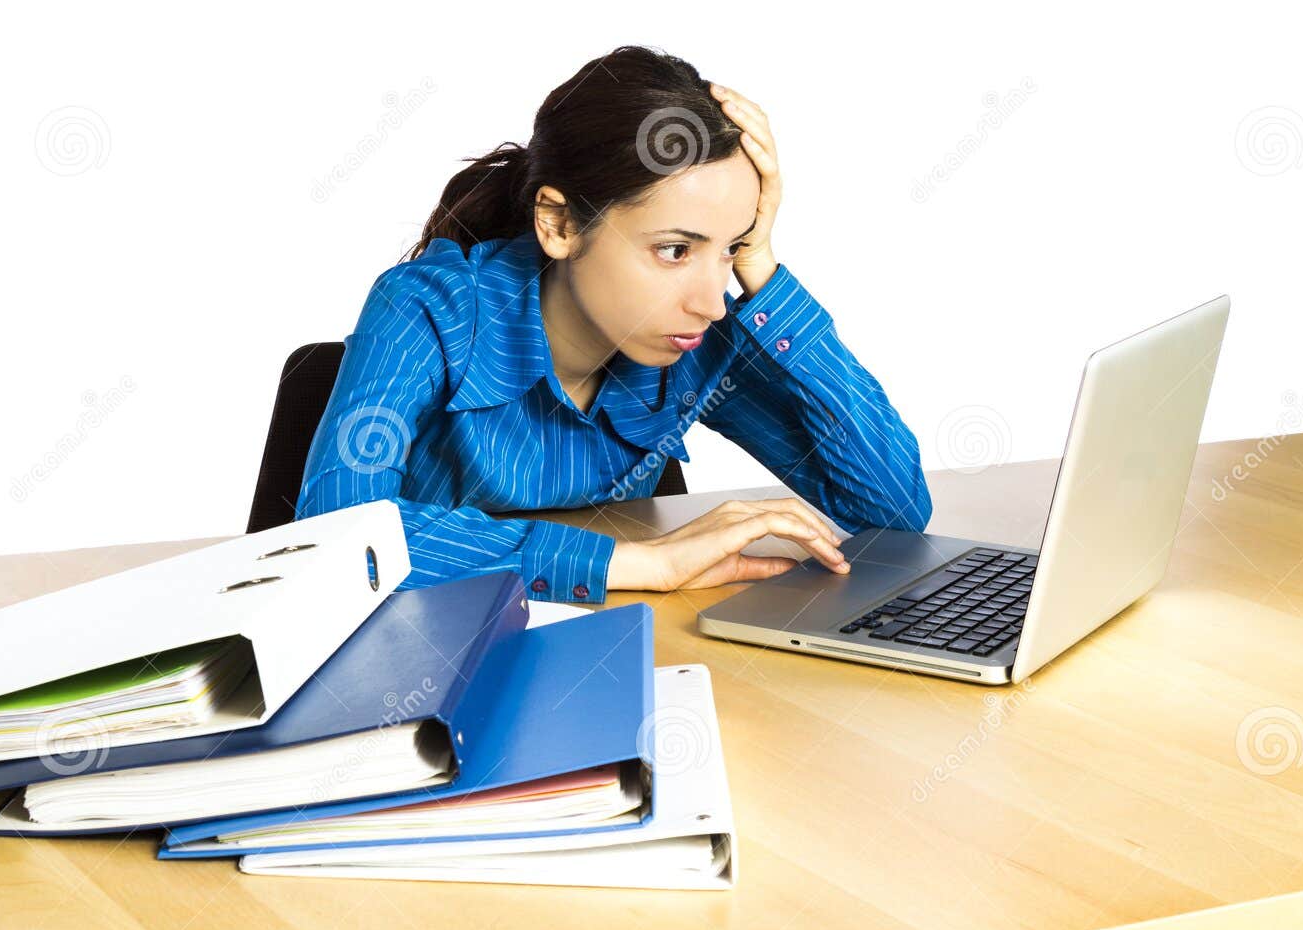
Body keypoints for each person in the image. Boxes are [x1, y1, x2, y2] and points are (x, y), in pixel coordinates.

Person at [296, 46, 932, 603]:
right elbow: (342, 534)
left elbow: (894, 511)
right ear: (561, 224)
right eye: (676, 250)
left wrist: (761, 267)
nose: (713, 302)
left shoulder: (697, 343)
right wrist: (642, 563)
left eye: (729, 248)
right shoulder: (425, 309)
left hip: (607, 643)